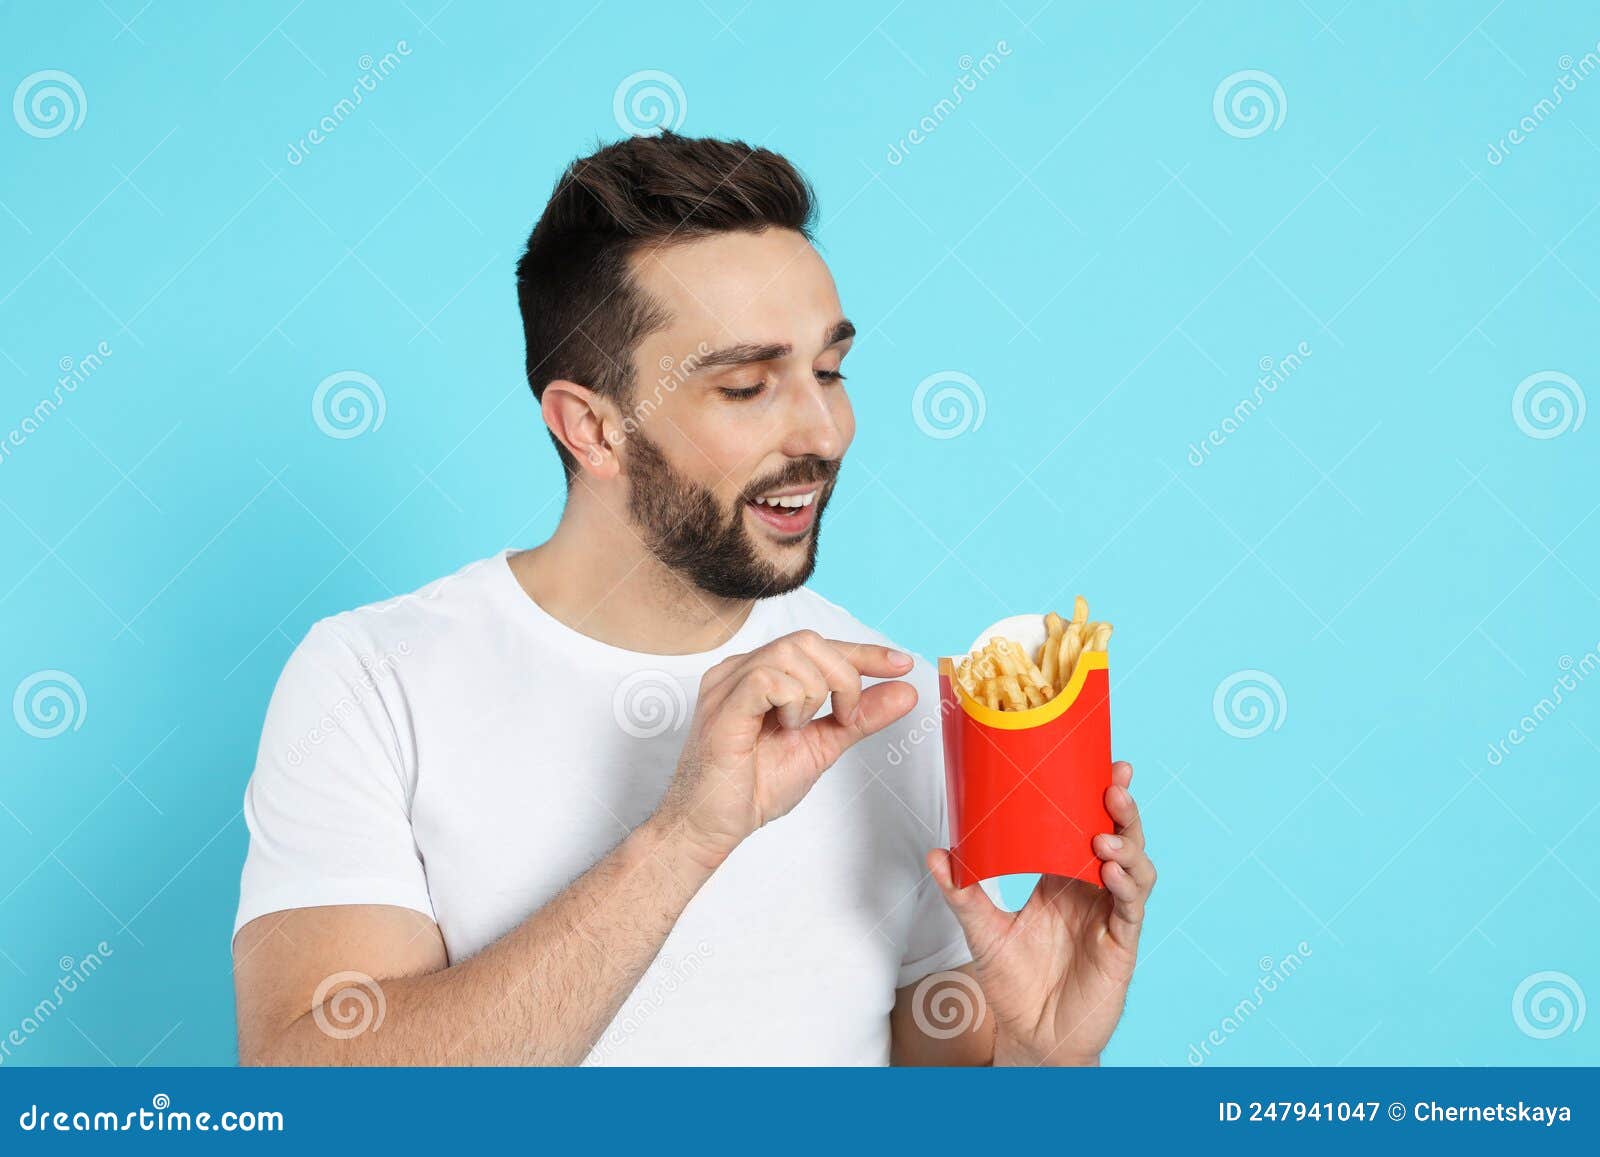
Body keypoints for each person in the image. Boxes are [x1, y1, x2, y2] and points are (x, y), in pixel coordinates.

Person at [231, 132, 1157, 1066]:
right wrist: (683, 838)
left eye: (829, 370)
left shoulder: (897, 708)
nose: (827, 430)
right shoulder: (371, 682)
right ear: (592, 427)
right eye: (748, 386)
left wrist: (1039, 1060)